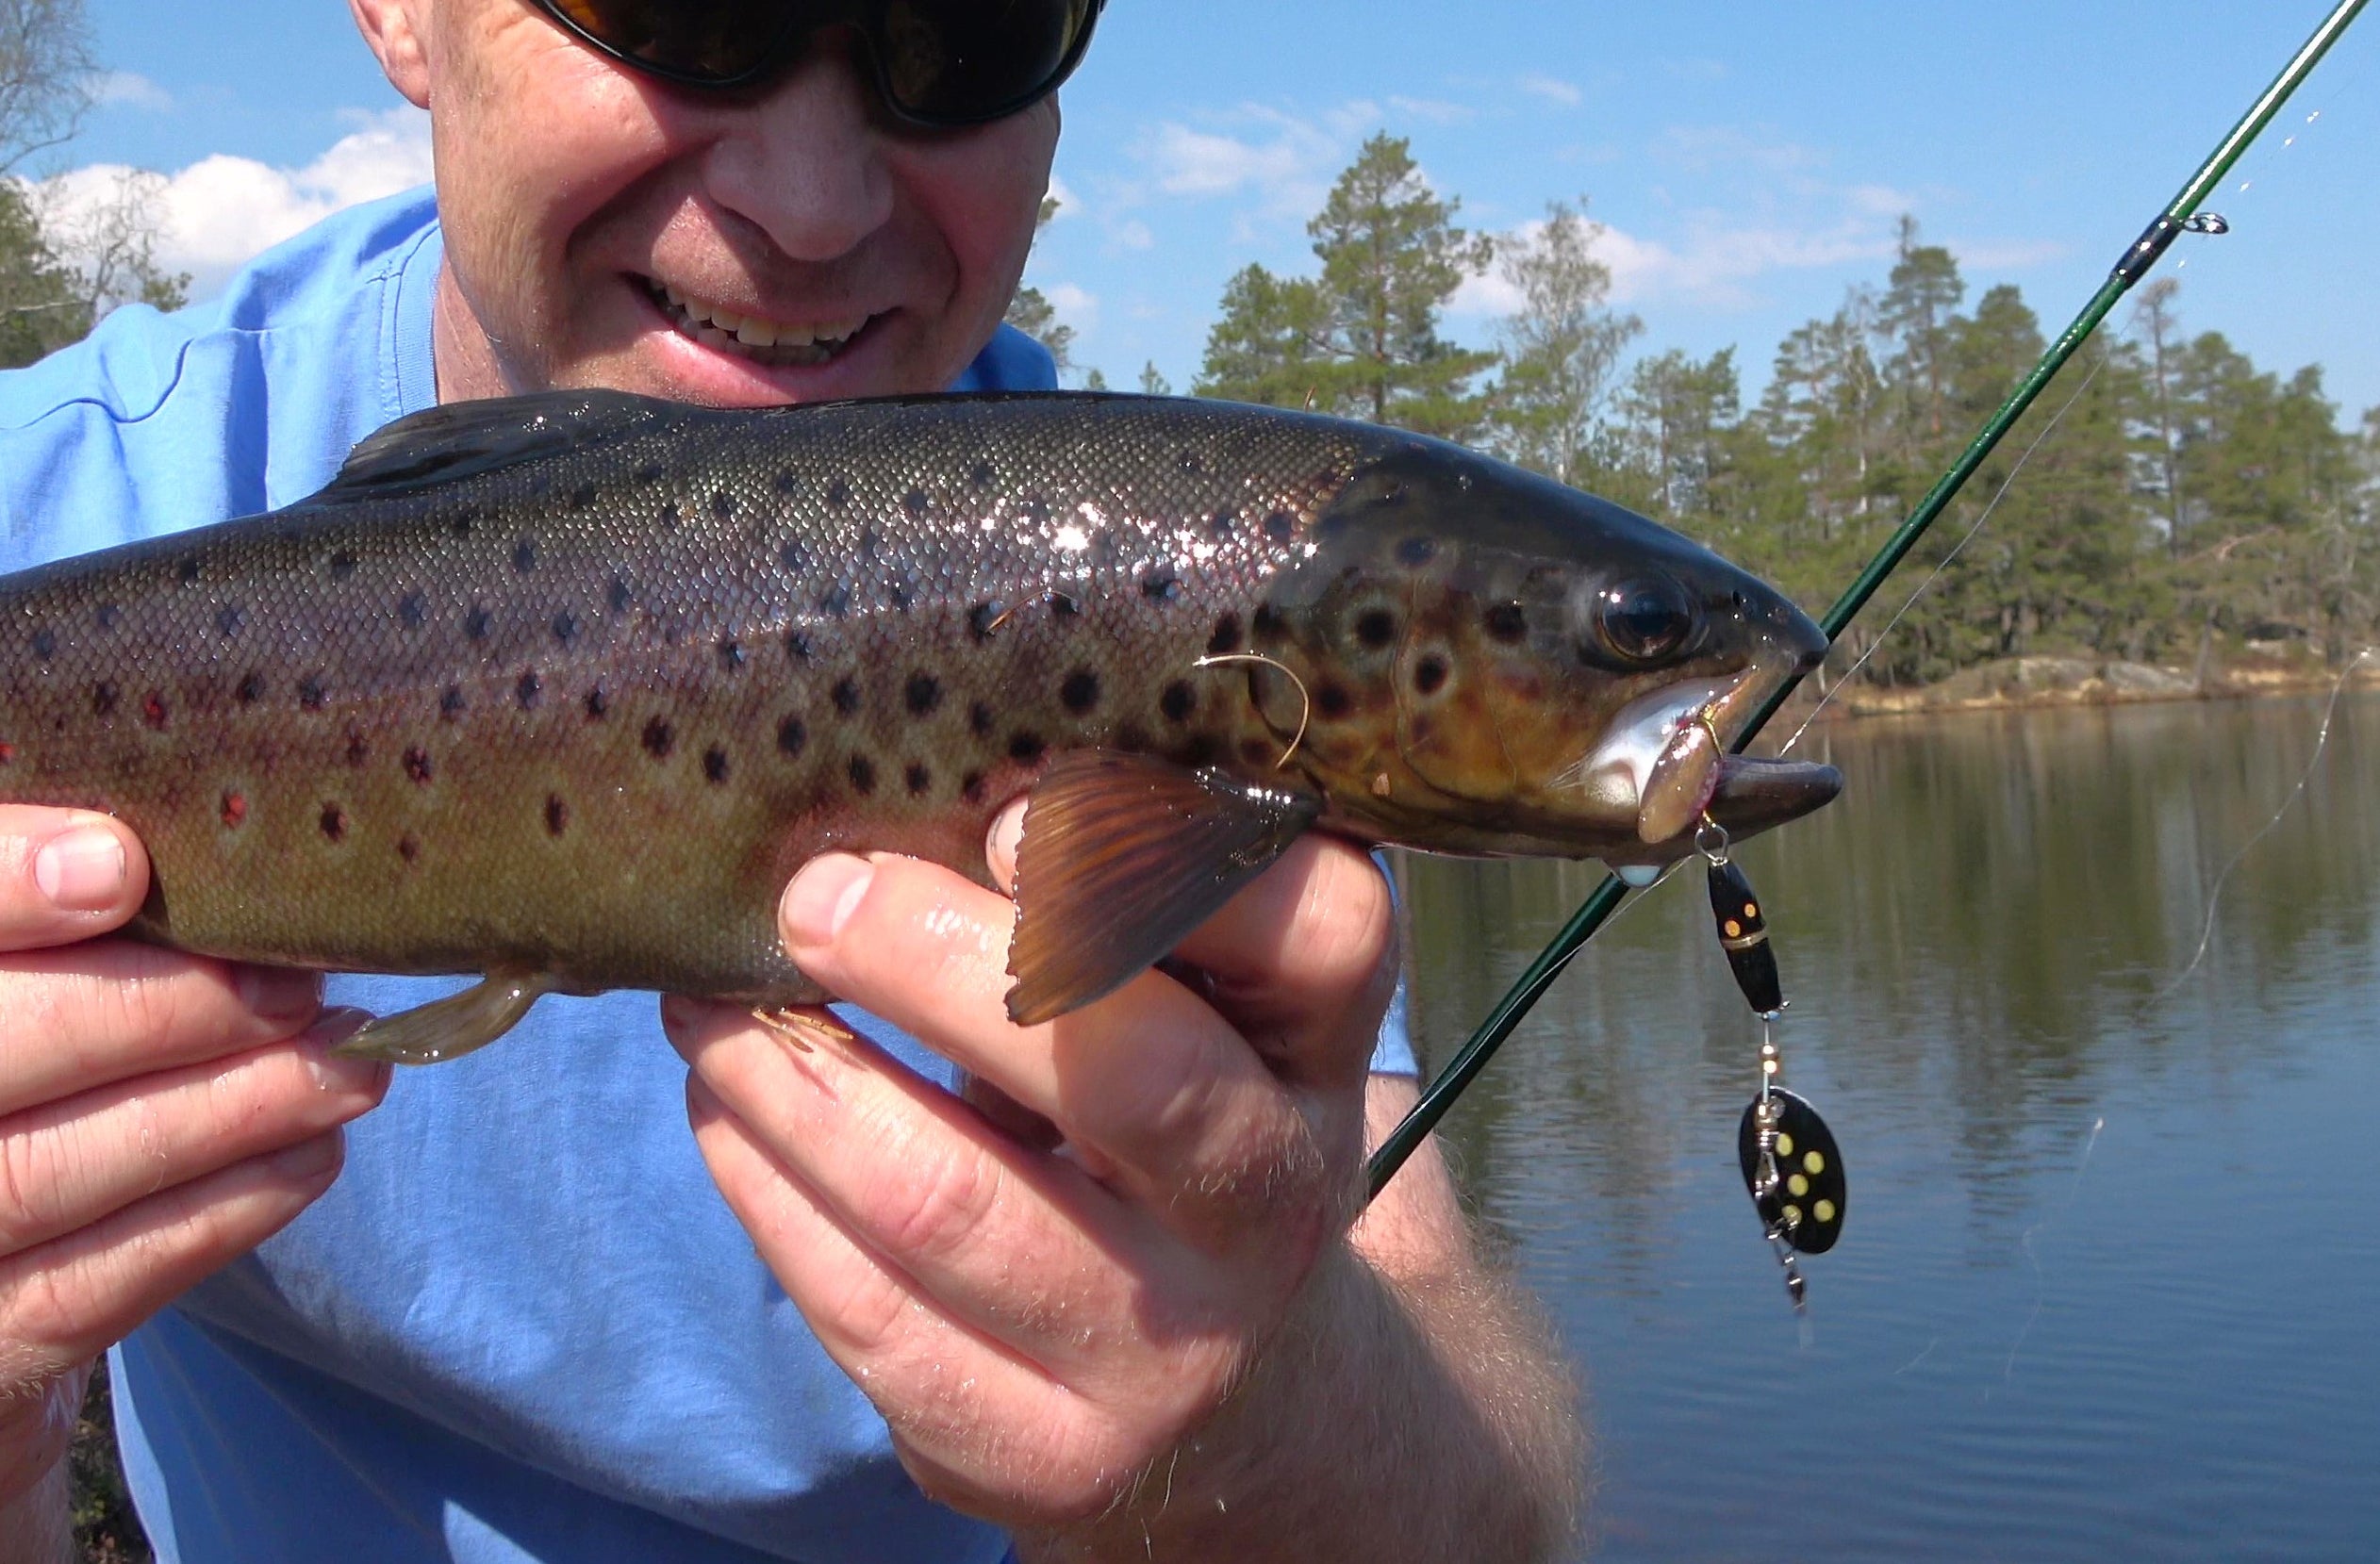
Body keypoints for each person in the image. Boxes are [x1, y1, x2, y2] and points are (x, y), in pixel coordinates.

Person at [0, 1, 1584, 1557]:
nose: (810, 203)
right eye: (680, 12)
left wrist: (1278, 1432)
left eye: (963, 42)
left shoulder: (1164, 596)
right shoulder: (52, 507)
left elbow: (1467, 1461)